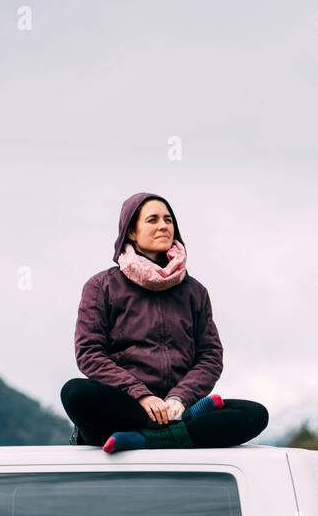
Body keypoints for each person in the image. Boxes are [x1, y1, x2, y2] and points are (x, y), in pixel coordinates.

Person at [61, 192, 268, 451]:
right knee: (75, 393)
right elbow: (89, 353)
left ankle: (144, 439)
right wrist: (141, 395)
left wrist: (179, 398)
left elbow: (210, 356)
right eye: (152, 219)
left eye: (168, 220)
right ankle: (177, 433)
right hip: (126, 409)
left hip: (179, 409)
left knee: (254, 414)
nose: (163, 226)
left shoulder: (194, 291)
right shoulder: (101, 286)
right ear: (131, 232)